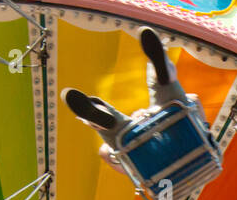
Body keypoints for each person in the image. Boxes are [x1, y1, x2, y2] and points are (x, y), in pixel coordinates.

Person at [60, 27, 207, 177]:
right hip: (183, 146)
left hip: (158, 160)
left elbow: (105, 153)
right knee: (172, 105)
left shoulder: (163, 181)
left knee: (123, 135)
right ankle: (161, 75)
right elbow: (194, 99)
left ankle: (103, 119)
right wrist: (150, 116)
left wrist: (143, 121)